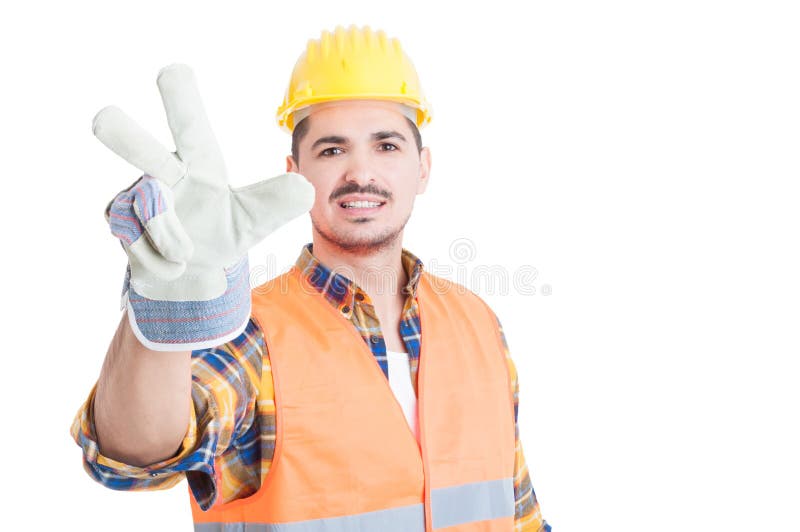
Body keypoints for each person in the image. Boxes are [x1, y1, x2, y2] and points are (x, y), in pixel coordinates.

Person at [71, 24, 551, 532]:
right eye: (331, 150)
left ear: (423, 168)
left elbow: (519, 512)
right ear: (294, 170)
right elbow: (134, 454)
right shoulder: (245, 331)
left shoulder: (478, 322)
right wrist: (168, 307)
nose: (360, 172)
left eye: (386, 146)